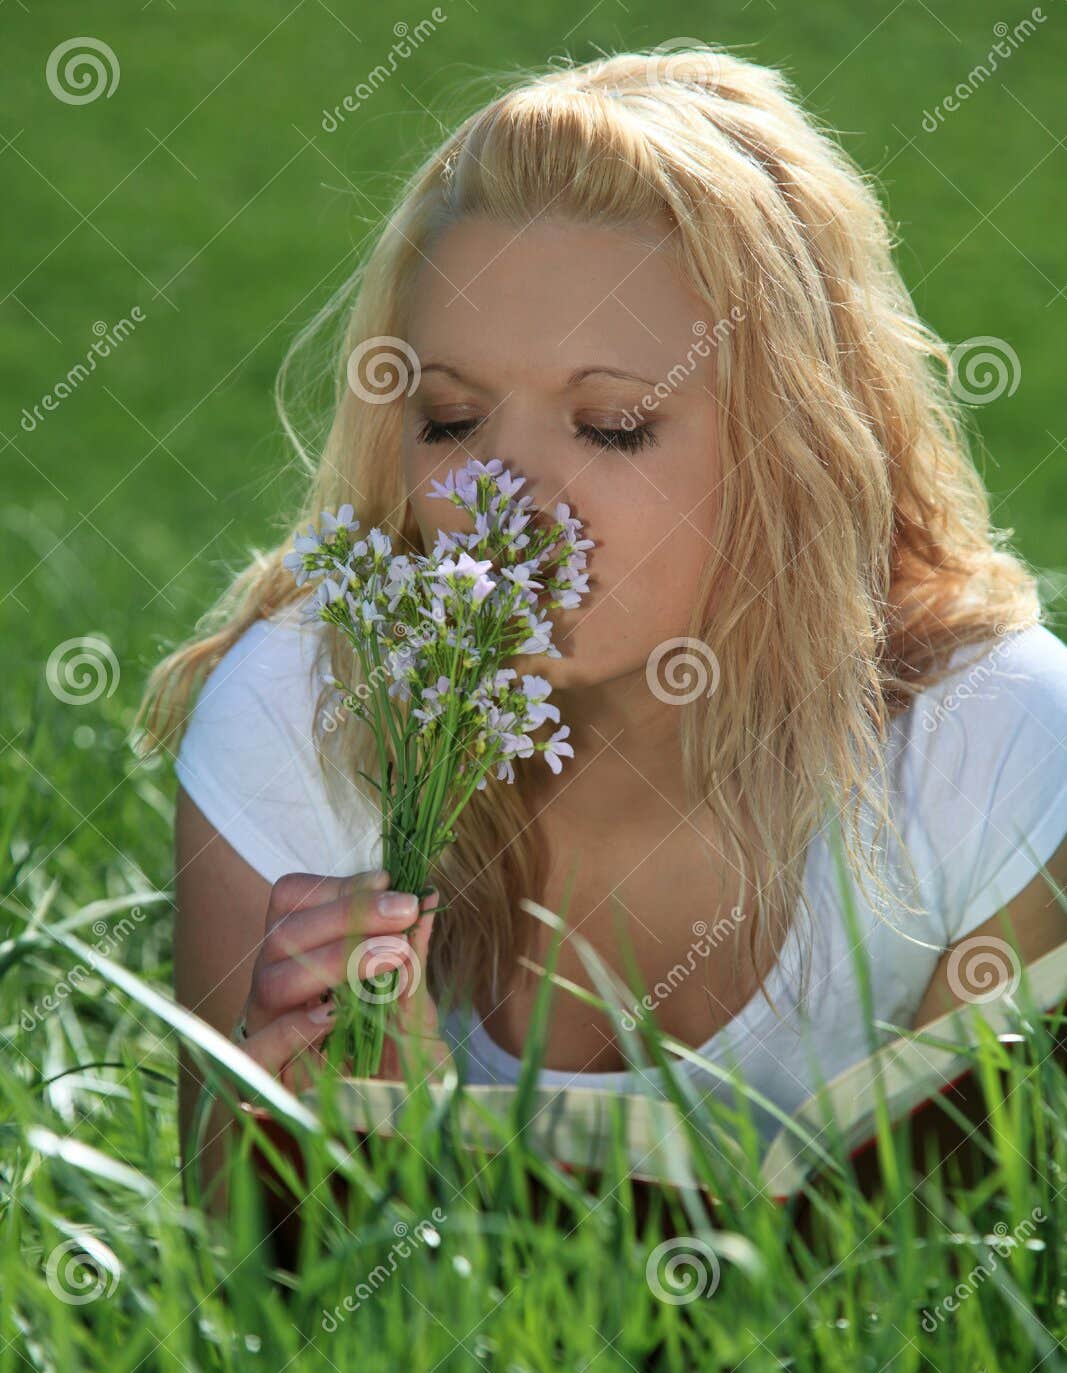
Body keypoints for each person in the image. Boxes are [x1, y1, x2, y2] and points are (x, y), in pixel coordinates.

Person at [134, 47, 1067, 1217]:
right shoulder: (306, 707)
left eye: (613, 426)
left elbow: (976, 1322)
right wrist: (323, 1165)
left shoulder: (991, 741)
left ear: (795, 451)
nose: (504, 504)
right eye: (449, 419)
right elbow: (230, 1318)